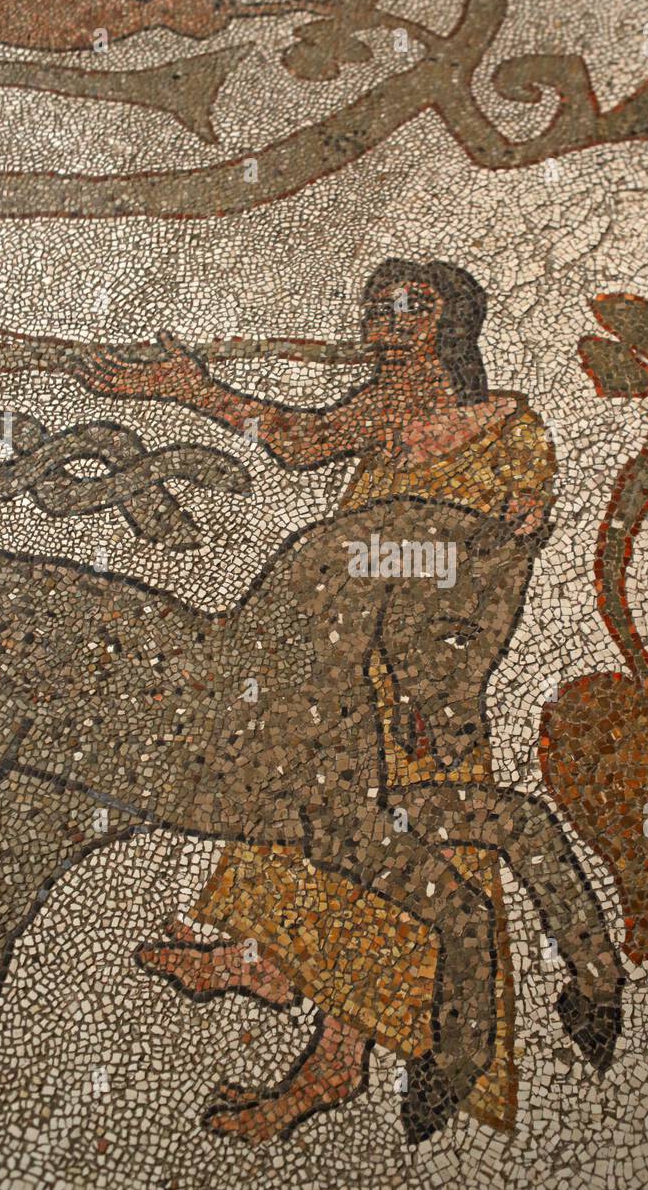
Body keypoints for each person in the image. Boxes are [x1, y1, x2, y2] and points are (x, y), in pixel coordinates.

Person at [75, 258, 556, 1139]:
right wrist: (192, 387)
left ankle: (334, 1065)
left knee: (383, 850)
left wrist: (513, 522)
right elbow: (296, 441)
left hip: (416, 670)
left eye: (413, 305)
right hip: (342, 639)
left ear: (452, 324)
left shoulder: (508, 425)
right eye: (379, 304)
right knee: (293, 797)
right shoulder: (378, 409)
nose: (388, 317)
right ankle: (268, 959)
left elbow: (507, 545)